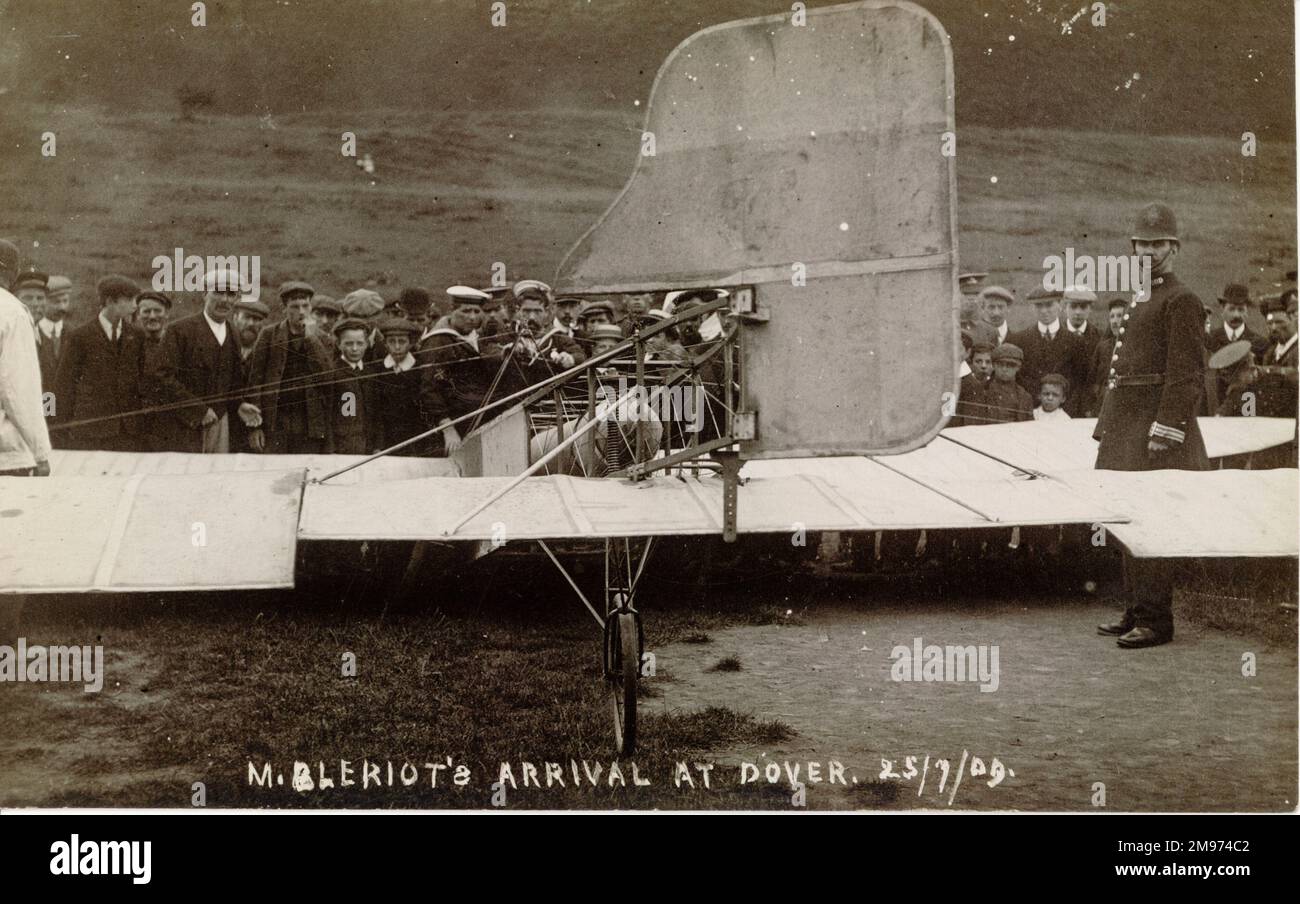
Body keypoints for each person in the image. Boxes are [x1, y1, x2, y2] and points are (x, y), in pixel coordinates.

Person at [1095, 203, 1209, 649]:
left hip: (1154, 430)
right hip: (1128, 426)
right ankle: (1136, 610)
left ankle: (1157, 621)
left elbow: (1187, 373)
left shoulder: (1181, 300)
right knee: (1129, 522)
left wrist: (1167, 427)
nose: (1149, 251)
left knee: (1154, 524)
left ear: (1174, 248)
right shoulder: (1144, 296)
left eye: (1158, 244)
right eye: (1142, 243)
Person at [150, 268, 247, 453]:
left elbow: (233, 380)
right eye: (218, 292)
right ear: (204, 294)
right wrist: (198, 411)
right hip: (184, 427)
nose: (225, 300)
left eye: (231, 294)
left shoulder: (233, 332)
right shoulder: (180, 330)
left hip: (220, 425)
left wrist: (239, 404)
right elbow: (161, 377)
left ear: (237, 299)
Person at [51, 275, 142, 451]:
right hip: (91, 433)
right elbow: (65, 385)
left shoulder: (136, 336)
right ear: (110, 301)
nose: (135, 306)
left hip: (128, 433)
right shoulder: (80, 336)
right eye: (129, 299)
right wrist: (61, 430)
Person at [243, 283, 334, 454]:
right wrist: (255, 427)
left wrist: (311, 339)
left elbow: (328, 378)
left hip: (310, 423)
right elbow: (255, 382)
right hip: (276, 421)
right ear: (285, 308)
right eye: (294, 306)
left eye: (305, 306)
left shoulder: (323, 338)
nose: (301, 311)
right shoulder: (269, 335)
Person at [419, 286, 501, 452]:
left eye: (477, 311)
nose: (472, 317)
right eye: (466, 311)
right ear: (452, 310)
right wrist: (447, 428)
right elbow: (429, 388)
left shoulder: (480, 339)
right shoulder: (437, 341)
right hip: (454, 429)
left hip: (483, 424)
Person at [0, 238, 52, 478]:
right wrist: (41, 452)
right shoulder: (12, 313)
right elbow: (17, 390)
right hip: (6, 455)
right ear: (12, 272)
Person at [1010, 286, 1089, 416]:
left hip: (1064, 414)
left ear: (1060, 305)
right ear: (1033, 308)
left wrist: (1068, 411)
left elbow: (1081, 381)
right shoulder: (1020, 339)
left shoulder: (1076, 342)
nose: (1044, 311)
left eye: (1049, 305)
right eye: (1039, 306)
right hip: (1029, 413)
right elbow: (1018, 379)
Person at [372, 316, 438, 456]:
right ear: (385, 344)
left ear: (411, 343)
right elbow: (375, 411)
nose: (397, 347)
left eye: (402, 341)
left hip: (416, 441)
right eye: (392, 342)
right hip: (387, 443)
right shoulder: (377, 370)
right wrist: (377, 445)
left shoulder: (420, 369)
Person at [325, 318, 383, 455]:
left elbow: (377, 413)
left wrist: (378, 445)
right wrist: (330, 449)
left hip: (368, 446)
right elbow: (327, 416)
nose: (355, 349)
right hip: (342, 447)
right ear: (339, 344)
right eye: (349, 344)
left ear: (367, 344)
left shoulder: (371, 373)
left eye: (359, 343)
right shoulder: (333, 373)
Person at [1205, 283, 1270, 405]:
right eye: (1231, 309)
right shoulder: (1209, 340)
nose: (1236, 315)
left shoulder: (1259, 343)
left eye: (1241, 310)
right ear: (1222, 310)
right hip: (1215, 407)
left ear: (1247, 312)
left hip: (1247, 407)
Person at [1088, 298, 1128, 416]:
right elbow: (1092, 380)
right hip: (1102, 407)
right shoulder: (1102, 347)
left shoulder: (1136, 346)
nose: (1115, 321)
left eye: (1119, 316)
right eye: (1112, 316)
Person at [35, 275, 73, 390]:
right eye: (56, 302)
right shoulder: (33, 332)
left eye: (65, 301)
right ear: (43, 302)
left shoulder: (74, 334)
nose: (62, 307)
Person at [981, 343, 1034, 423]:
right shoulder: (982, 390)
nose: (1004, 369)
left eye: (1010, 365)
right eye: (1000, 364)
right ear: (993, 365)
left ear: (1018, 367)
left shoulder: (1024, 397)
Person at [231, 298, 270, 380]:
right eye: (246, 317)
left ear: (263, 324)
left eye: (256, 319)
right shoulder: (220, 347)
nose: (251, 323)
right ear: (235, 319)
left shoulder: (267, 354)